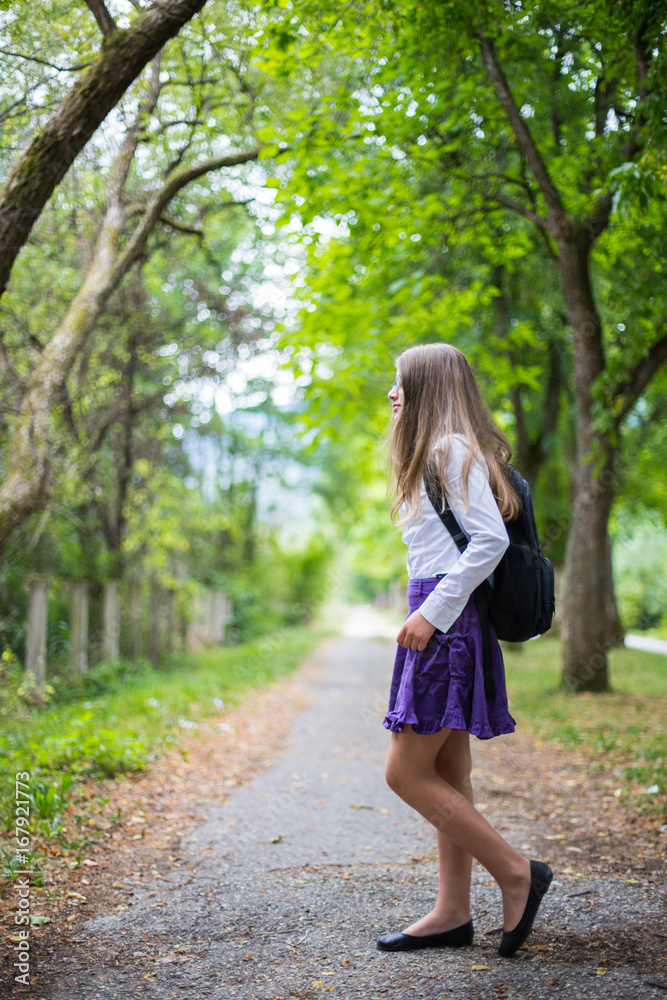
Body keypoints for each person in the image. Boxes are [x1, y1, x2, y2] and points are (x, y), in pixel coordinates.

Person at [378, 343, 552, 959]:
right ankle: (452, 912)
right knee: (449, 771)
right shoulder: (434, 454)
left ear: (426, 388)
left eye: (400, 384)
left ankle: (515, 871)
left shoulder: (450, 450)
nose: (392, 394)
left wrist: (430, 613)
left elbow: (488, 542)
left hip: (445, 621)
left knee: (404, 772)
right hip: (441, 615)